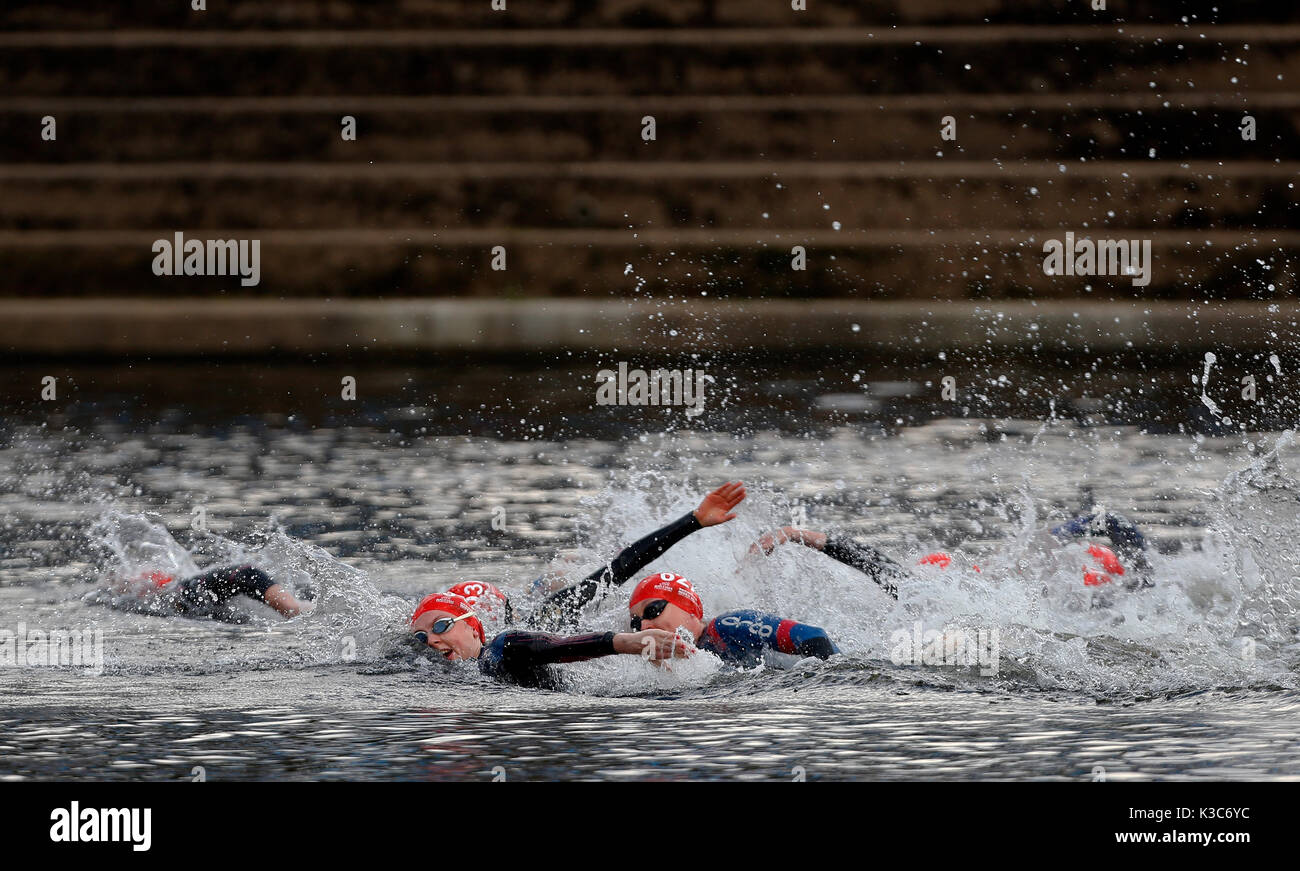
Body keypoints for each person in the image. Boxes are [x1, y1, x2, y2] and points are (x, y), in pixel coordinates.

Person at [409, 591, 688, 689]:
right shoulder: (424, 668)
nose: (432, 640)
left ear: (472, 627)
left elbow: (558, 647)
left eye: (442, 626)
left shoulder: (504, 646)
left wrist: (628, 643)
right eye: (422, 636)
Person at [626, 571, 839, 667]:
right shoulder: (655, 664)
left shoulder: (726, 627)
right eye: (636, 623)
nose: (644, 626)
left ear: (688, 607)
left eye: (653, 610)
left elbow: (814, 637)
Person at [102, 564, 312, 623]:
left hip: (236, 577)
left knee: (292, 609)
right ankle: (305, 608)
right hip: (224, 585)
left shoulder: (181, 590)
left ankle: (302, 608)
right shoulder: (163, 599)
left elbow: (246, 573)